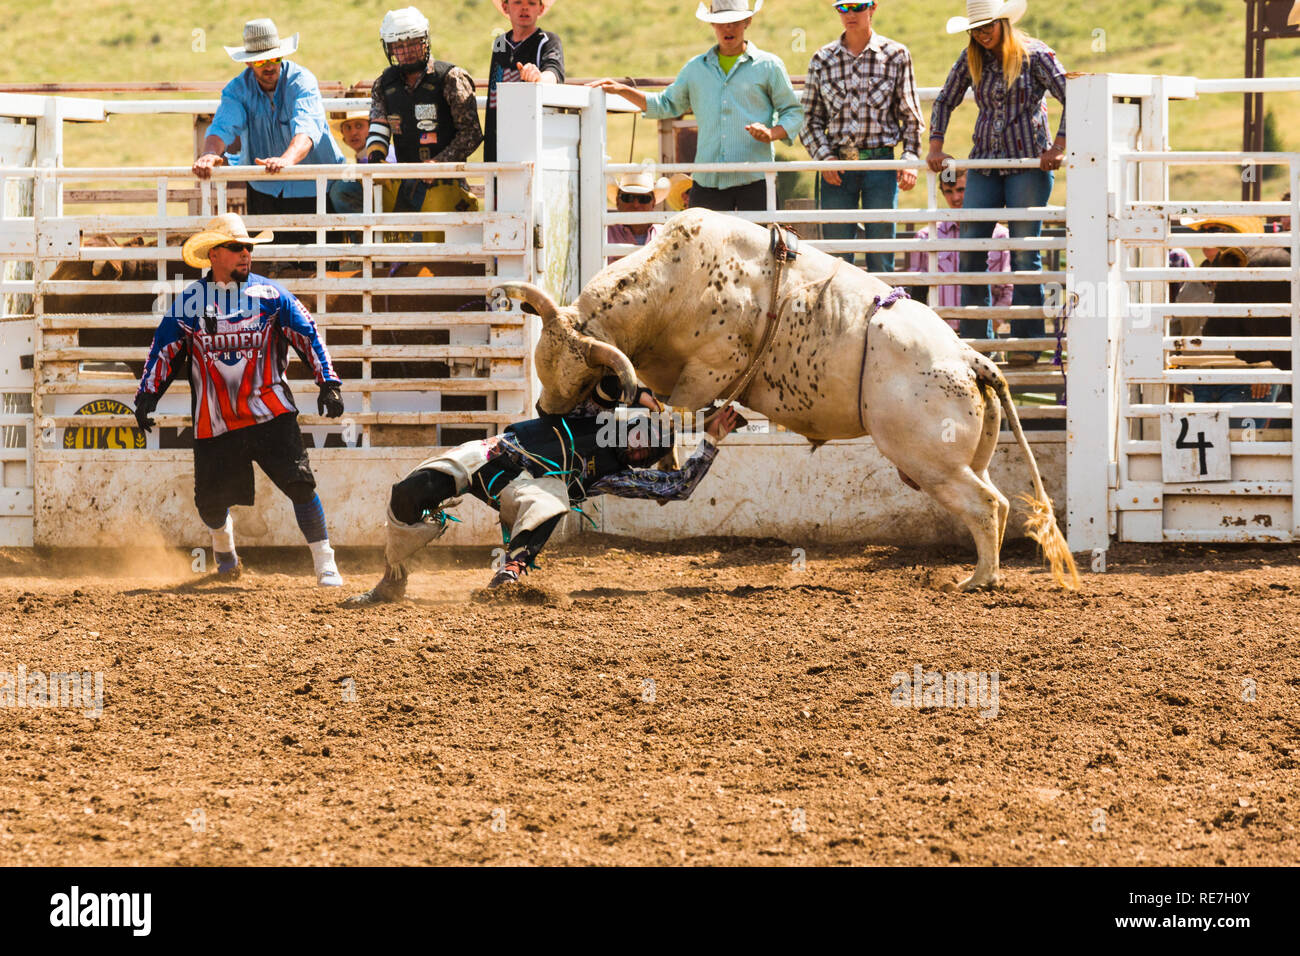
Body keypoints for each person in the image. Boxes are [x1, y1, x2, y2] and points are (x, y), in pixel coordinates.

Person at [348, 383, 745, 603]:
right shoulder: (589, 417)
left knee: (553, 501)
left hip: (528, 490)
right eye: (642, 435)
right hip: (493, 454)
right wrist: (639, 391)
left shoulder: (614, 475)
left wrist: (710, 440)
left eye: (647, 452)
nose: (639, 447)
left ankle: (512, 571)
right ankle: (392, 579)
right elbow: (605, 385)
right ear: (632, 424)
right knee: (407, 493)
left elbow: (677, 487)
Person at [132, 214, 346, 587]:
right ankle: (225, 550)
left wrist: (328, 382)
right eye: (236, 247)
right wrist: (148, 393)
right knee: (210, 505)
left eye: (249, 247)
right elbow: (164, 349)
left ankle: (325, 561)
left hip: (270, 412)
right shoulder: (190, 303)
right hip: (215, 420)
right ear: (214, 254)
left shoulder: (272, 296)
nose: (246, 253)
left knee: (300, 484)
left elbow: (308, 335)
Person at [927, 0, 1066, 364]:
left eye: (987, 26)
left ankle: (1026, 342)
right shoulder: (971, 58)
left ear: (1004, 23)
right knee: (971, 247)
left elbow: (1072, 94)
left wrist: (1060, 145)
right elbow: (944, 100)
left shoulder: (1036, 56)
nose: (982, 34)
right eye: (976, 28)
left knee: (1023, 251)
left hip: (1027, 165)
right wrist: (936, 146)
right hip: (986, 164)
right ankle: (976, 342)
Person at [589, 0, 802, 213]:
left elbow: (792, 111)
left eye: (734, 22)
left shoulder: (768, 66)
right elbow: (665, 104)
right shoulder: (695, 69)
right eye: (722, 22)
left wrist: (771, 133)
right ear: (713, 25)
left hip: (755, 178)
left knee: (761, 243)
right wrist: (622, 90)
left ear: (747, 21)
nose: (728, 28)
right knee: (703, 244)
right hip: (708, 179)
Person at [193, 19, 346, 246]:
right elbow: (222, 126)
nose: (269, 66)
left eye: (274, 58)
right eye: (261, 60)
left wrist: (286, 160)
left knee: (322, 262)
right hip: (264, 188)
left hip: (315, 185)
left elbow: (307, 128)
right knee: (268, 261)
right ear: (249, 63)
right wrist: (209, 153)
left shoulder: (302, 82)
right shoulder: (237, 90)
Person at [801, 0, 924, 273]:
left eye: (857, 6)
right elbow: (808, 120)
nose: (850, 14)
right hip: (837, 166)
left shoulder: (896, 55)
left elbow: (910, 114)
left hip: (881, 163)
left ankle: (882, 313)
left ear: (873, 8)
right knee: (836, 257)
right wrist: (825, 157)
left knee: (881, 252)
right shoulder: (822, 59)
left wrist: (910, 157)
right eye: (843, 8)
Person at [364, 7, 483, 228]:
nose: (406, 50)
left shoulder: (451, 77)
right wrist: (377, 161)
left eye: (413, 42)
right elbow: (378, 125)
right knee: (353, 195)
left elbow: (472, 133)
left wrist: (437, 164)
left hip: (447, 183)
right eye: (398, 45)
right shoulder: (384, 83)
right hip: (404, 182)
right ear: (389, 48)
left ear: (426, 41)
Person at [907, 170, 1011, 330]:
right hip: (938, 330)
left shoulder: (1000, 236)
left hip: (983, 329)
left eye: (961, 190)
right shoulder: (925, 236)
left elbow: (1008, 288)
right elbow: (915, 288)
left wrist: (994, 320)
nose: (955, 198)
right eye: (948, 191)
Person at [484, 0, 565, 162]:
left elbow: (554, 72)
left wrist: (539, 78)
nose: (525, 7)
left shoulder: (547, 40)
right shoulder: (500, 42)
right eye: (517, 2)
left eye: (532, 3)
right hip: (497, 131)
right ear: (505, 7)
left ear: (540, 9)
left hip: (529, 136)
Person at [326, 86, 395, 214]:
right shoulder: (362, 156)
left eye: (359, 126)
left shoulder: (386, 153)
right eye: (348, 127)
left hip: (392, 204)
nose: (353, 132)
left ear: (372, 128)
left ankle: (359, 232)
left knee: (341, 188)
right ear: (343, 135)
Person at [606, 170, 669, 263]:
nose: (636, 204)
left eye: (643, 199)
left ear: (653, 203)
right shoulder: (604, 233)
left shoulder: (665, 234)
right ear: (617, 201)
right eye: (628, 198)